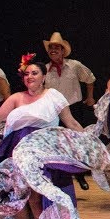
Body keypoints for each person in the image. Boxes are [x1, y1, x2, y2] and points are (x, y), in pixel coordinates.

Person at [0, 53, 82, 219]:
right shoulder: (16, 98)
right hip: (17, 151)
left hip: (43, 151)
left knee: (37, 197)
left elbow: (71, 122)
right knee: (19, 198)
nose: (30, 77)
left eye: (34, 73)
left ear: (44, 76)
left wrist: (87, 143)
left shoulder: (53, 95)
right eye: (26, 74)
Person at [43, 31, 96, 188]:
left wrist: (90, 97)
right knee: (57, 144)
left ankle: (79, 175)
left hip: (73, 107)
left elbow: (90, 78)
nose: (53, 50)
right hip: (54, 111)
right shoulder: (44, 69)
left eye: (56, 47)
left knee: (75, 143)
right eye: (51, 48)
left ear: (62, 50)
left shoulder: (74, 65)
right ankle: (59, 177)